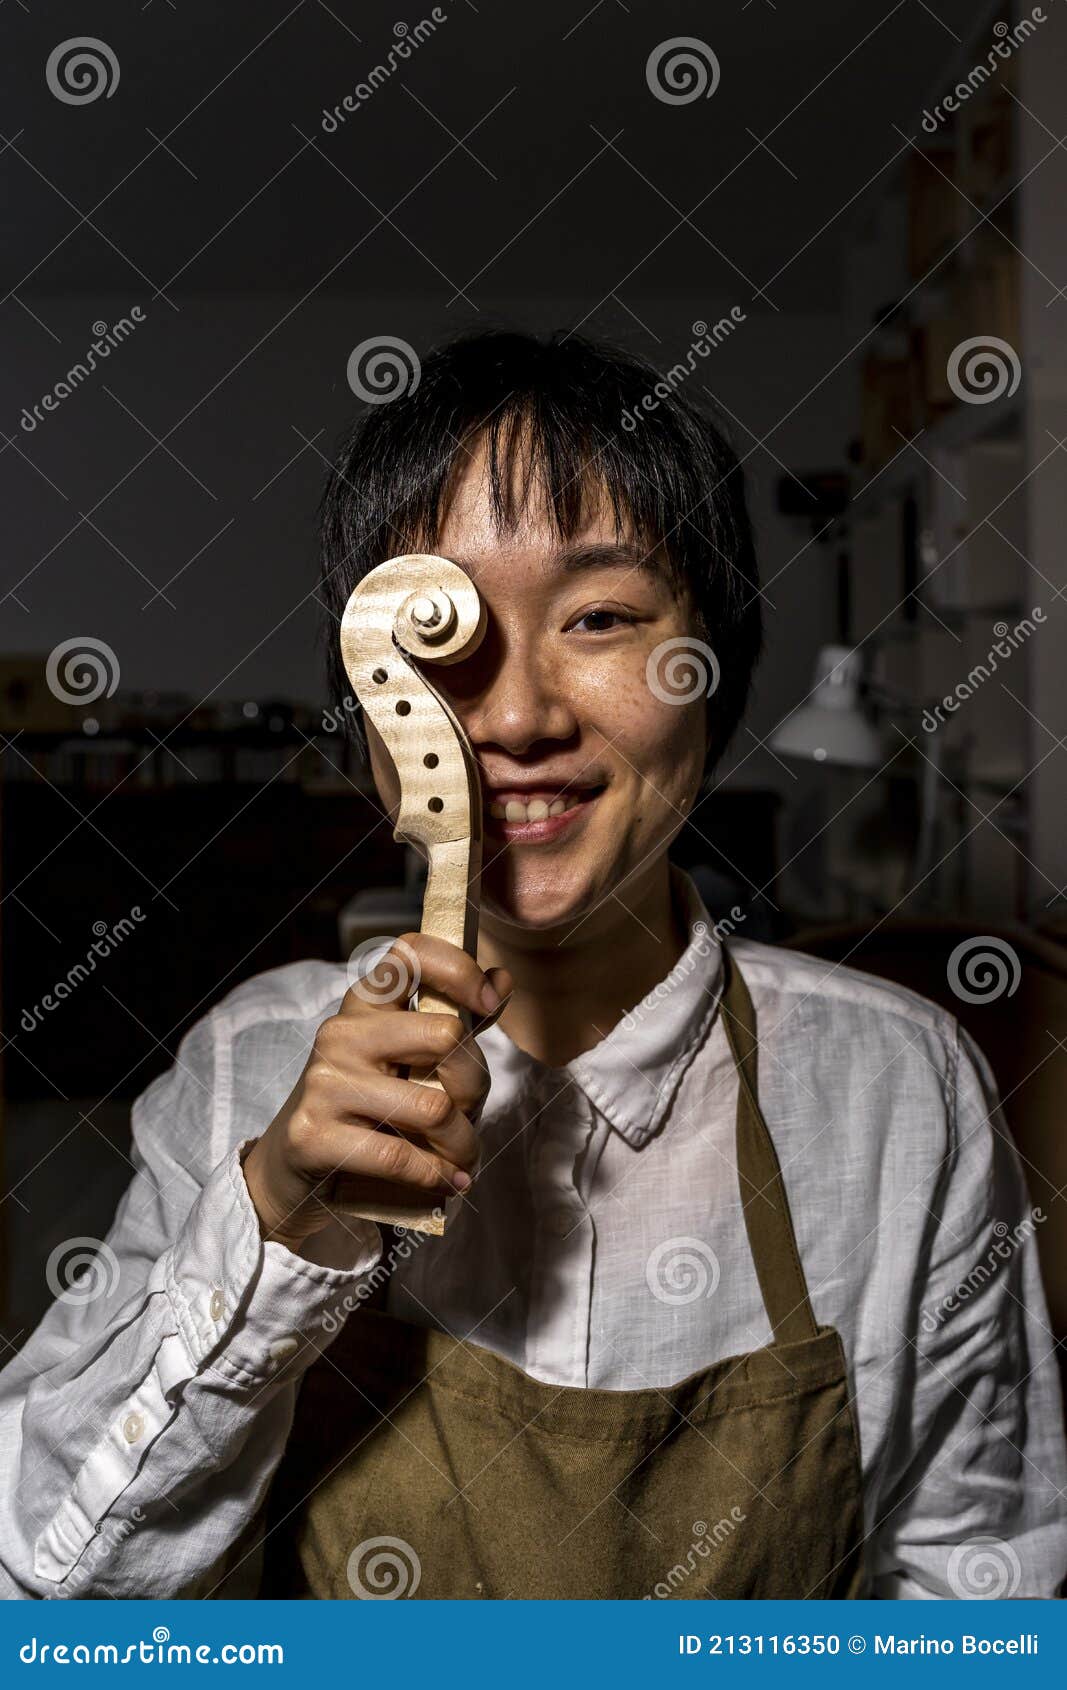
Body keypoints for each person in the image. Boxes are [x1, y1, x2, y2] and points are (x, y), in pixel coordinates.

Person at [1, 330, 1064, 1600]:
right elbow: (42, 1594)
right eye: (441, 637)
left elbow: (973, 1590)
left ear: (708, 666)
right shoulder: (249, 1061)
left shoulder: (900, 1081)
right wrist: (274, 1230)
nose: (514, 718)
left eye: (599, 618)